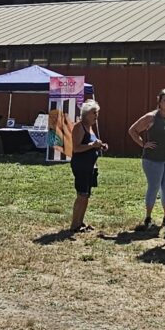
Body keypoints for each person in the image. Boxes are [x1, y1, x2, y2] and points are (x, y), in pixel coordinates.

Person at [128, 88, 165, 230]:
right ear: (159, 101)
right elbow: (132, 130)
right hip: (153, 159)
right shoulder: (151, 117)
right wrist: (143, 144)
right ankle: (148, 217)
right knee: (154, 187)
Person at [69, 100, 108, 233]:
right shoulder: (79, 127)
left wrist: (101, 146)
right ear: (86, 114)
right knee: (81, 194)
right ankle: (74, 224)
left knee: (86, 195)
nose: (96, 115)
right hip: (81, 165)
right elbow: (76, 148)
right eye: (93, 113)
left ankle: (80, 222)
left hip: (91, 166)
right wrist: (92, 145)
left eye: (97, 113)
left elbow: (92, 145)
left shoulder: (90, 128)